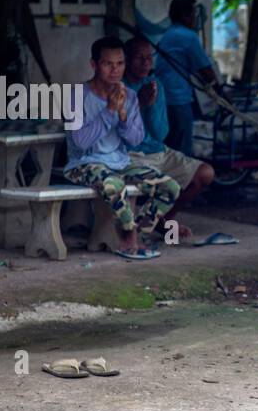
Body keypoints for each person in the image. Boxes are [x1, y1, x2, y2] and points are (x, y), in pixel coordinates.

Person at [64, 36, 182, 260]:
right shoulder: (76, 95)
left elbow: (136, 139)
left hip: (119, 163)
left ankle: (140, 233)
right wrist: (109, 111)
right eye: (108, 64)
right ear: (94, 65)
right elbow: (80, 141)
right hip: (83, 164)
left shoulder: (129, 96)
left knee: (170, 187)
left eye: (120, 64)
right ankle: (128, 236)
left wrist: (123, 115)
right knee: (114, 185)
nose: (115, 70)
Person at [123, 36, 216, 241]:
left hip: (158, 151)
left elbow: (160, 133)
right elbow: (117, 133)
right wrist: (138, 104)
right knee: (167, 186)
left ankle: (164, 220)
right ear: (127, 60)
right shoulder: (118, 88)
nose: (146, 62)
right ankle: (139, 234)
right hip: (130, 155)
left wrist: (151, 106)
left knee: (204, 173)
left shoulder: (155, 84)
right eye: (140, 58)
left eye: (149, 57)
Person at [156, 0, 218, 156]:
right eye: (193, 14)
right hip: (178, 98)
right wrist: (221, 92)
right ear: (185, 16)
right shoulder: (188, 37)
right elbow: (206, 70)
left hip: (164, 96)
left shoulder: (169, 34)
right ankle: (182, 179)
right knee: (182, 150)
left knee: (170, 146)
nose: (195, 19)